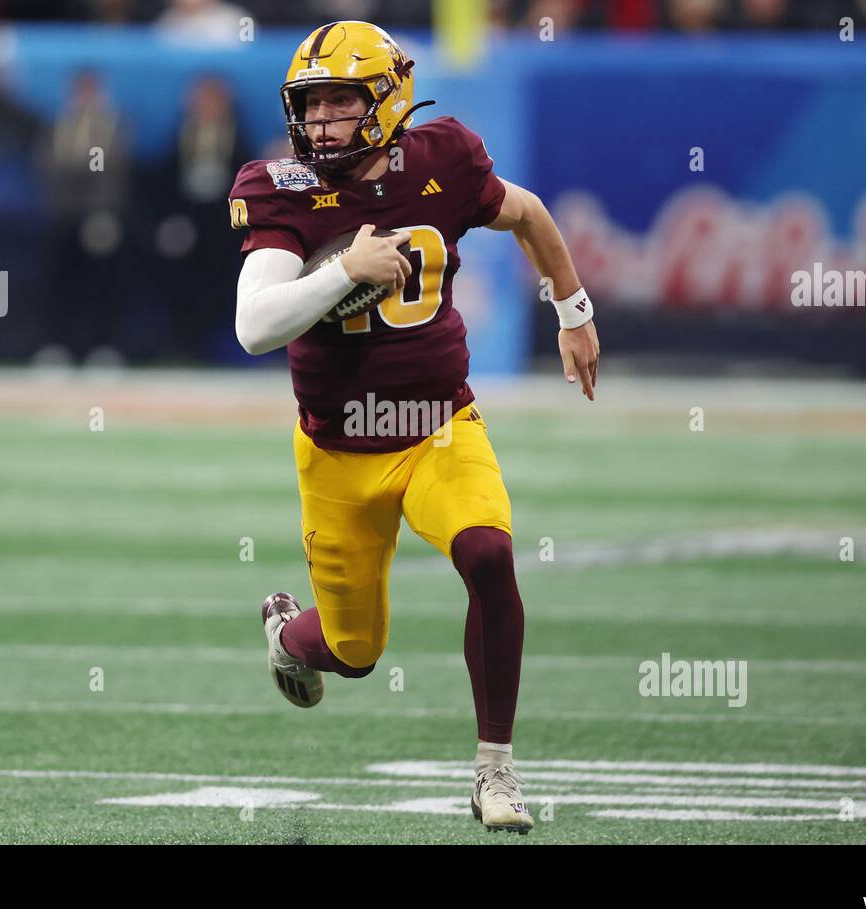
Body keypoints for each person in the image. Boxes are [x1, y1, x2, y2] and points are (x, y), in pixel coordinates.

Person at [228, 21, 598, 834]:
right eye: (310, 105)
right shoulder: (283, 187)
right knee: (355, 652)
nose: (321, 122)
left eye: (338, 102)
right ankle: (289, 632)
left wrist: (573, 310)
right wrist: (340, 273)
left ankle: (495, 770)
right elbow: (255, 326)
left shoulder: (443, 160)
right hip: (339, 451)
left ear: (388, 99)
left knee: (490, 552)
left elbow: (529, 213)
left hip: (438, 426)